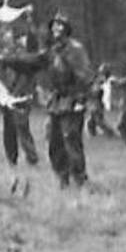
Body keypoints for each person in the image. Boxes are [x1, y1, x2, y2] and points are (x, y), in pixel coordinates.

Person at [0, 20, 47, 191]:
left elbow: (25, 57)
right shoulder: (9, 56)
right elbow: (0, 72)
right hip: (9, 97)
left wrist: (29, 21)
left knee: (22, 128)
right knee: (9, 131)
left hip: (22, 97)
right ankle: (12, 158)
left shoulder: (28, 58)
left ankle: (32, 158)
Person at [41, 13, 93, 187]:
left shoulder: (76, 49)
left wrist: (81, 98)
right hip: (56, 100)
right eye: (53, 26)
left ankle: (79, 177)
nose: (55, 29)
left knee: (71, 139)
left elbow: (85, 76)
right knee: (54, 141)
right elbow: (36, 62)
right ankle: (62, 176)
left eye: (59, 25)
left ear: (66, 28)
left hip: (73, 99)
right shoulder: (53, 50)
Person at [85, 63, 114, 137]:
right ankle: (93, 133)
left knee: (98, 120)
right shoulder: (99, 79)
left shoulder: (103, 80)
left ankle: (110, 133)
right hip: (95, 102)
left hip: (97, 102)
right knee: (92, 120)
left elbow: (96, 90)